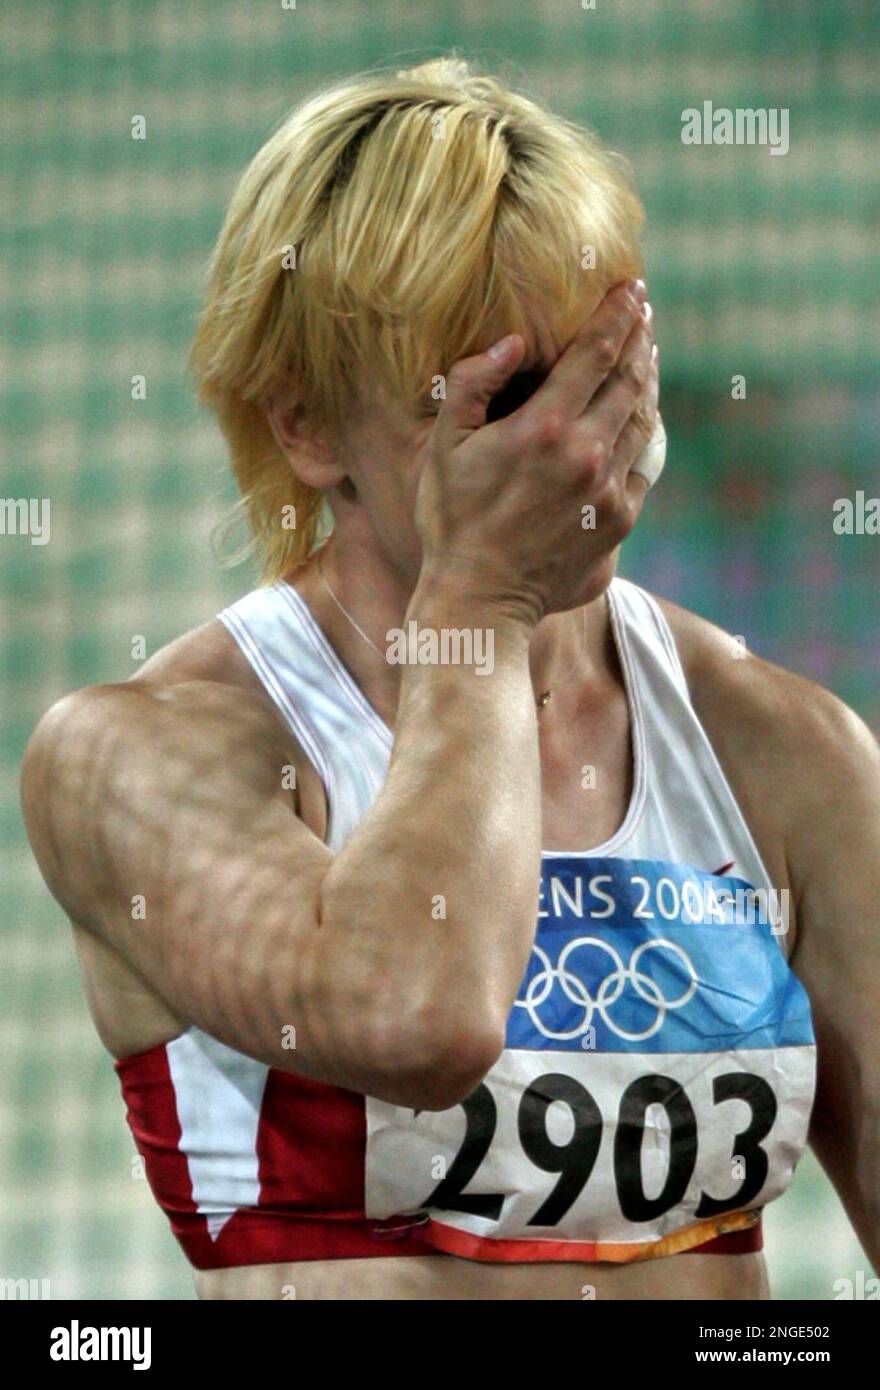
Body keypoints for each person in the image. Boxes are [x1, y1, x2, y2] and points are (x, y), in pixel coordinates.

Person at [20, 57, 880, 1301]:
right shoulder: (143, 754)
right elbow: (421, 1020)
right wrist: (480, 603)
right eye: (503, 399)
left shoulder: (785, 750)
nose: (576, 447)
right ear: (308, 427)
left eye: (598, 374)